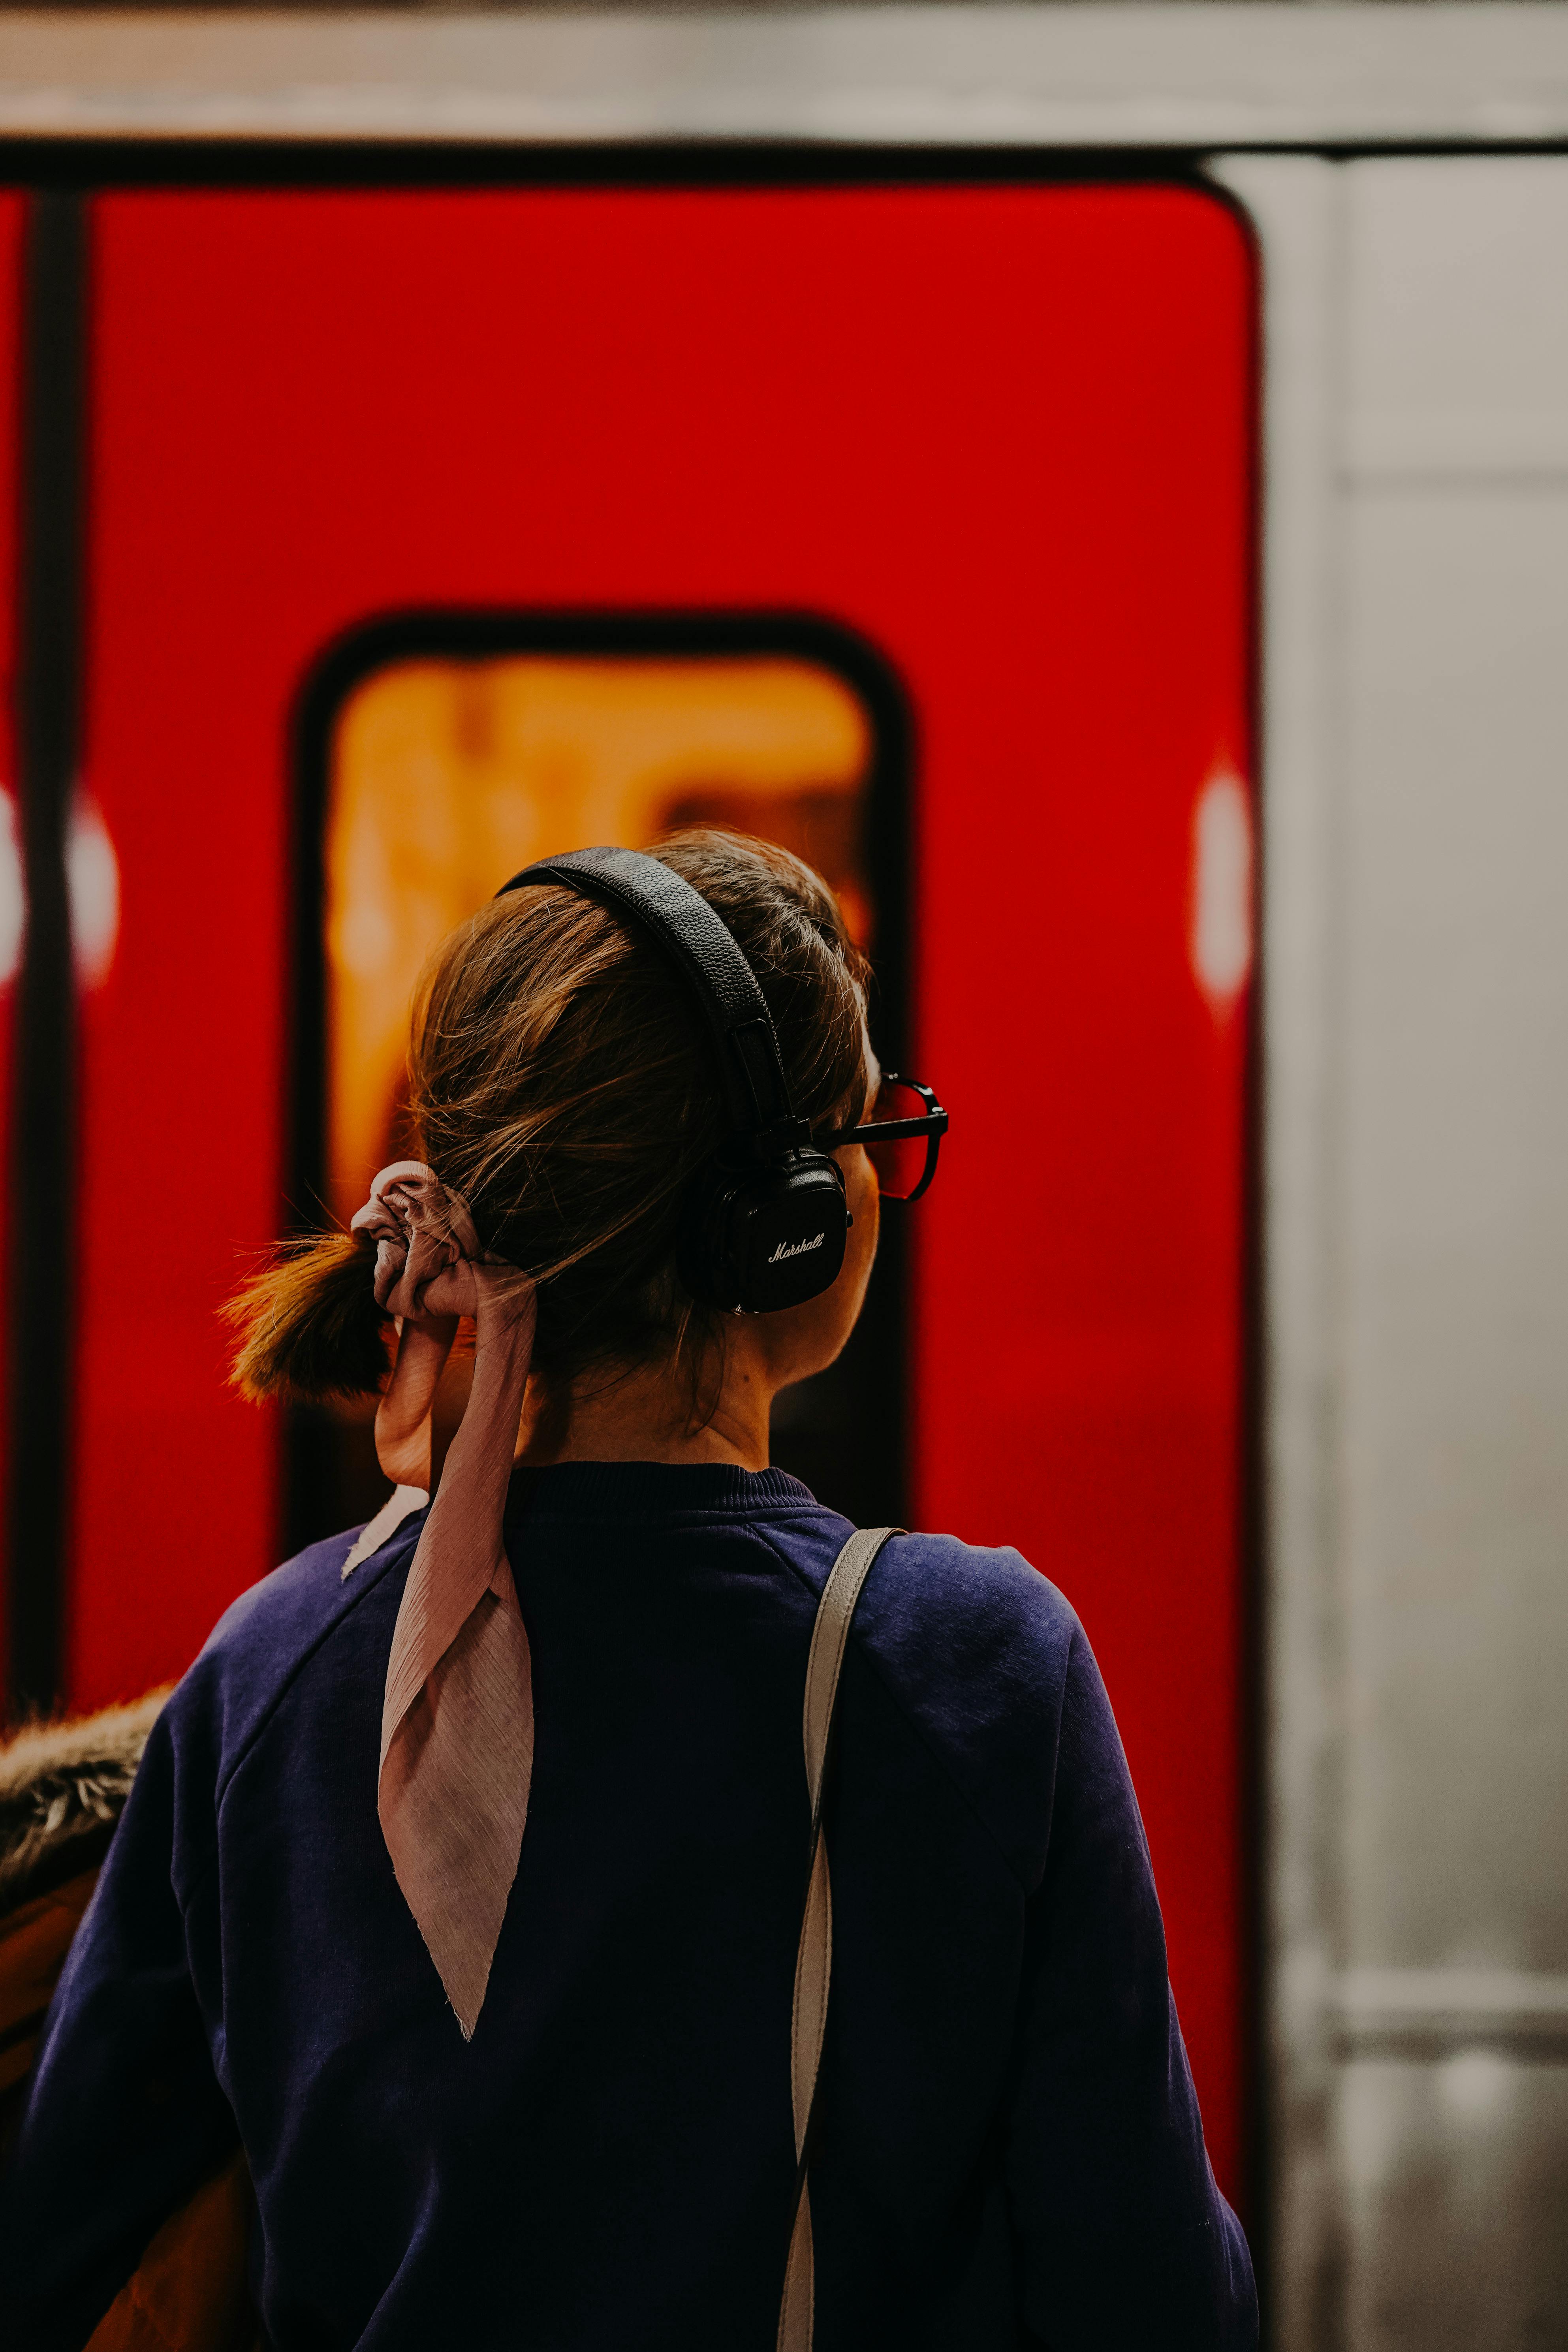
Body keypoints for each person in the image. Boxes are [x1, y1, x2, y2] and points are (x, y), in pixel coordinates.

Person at [0, 830, 1256, 2349]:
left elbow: (60, 2247)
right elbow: (1149, 2298)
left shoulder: (269, 1667)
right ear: (791, 1211)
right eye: (869, 1131)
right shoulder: (968, 1669)